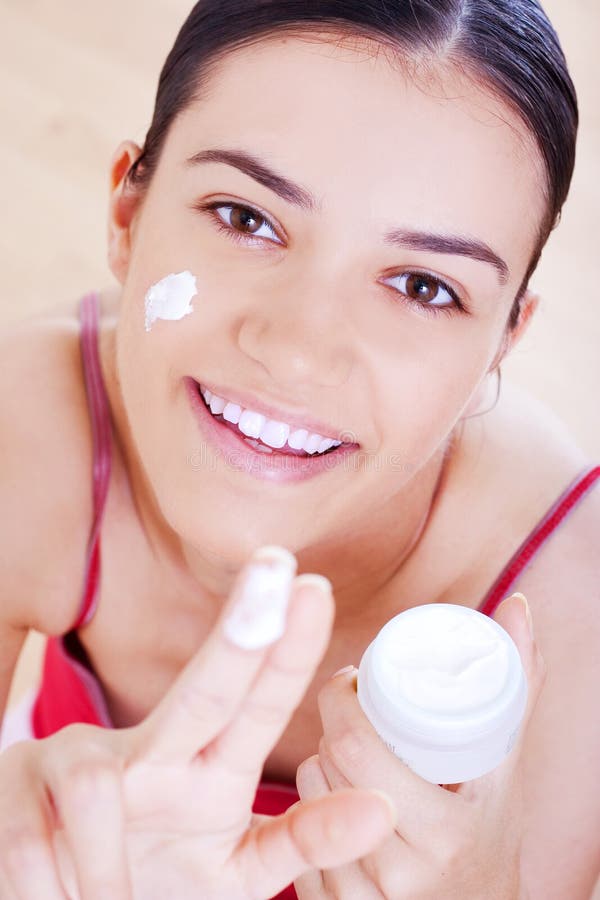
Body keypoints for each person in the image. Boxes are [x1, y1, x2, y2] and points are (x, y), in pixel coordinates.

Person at [1, 0, 599, 897]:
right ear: (127, 212)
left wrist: (485, 884)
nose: (297, 352)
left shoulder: (578, 609)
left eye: (423, 285)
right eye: (246, 218)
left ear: (501, 346)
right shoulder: (28, 426)